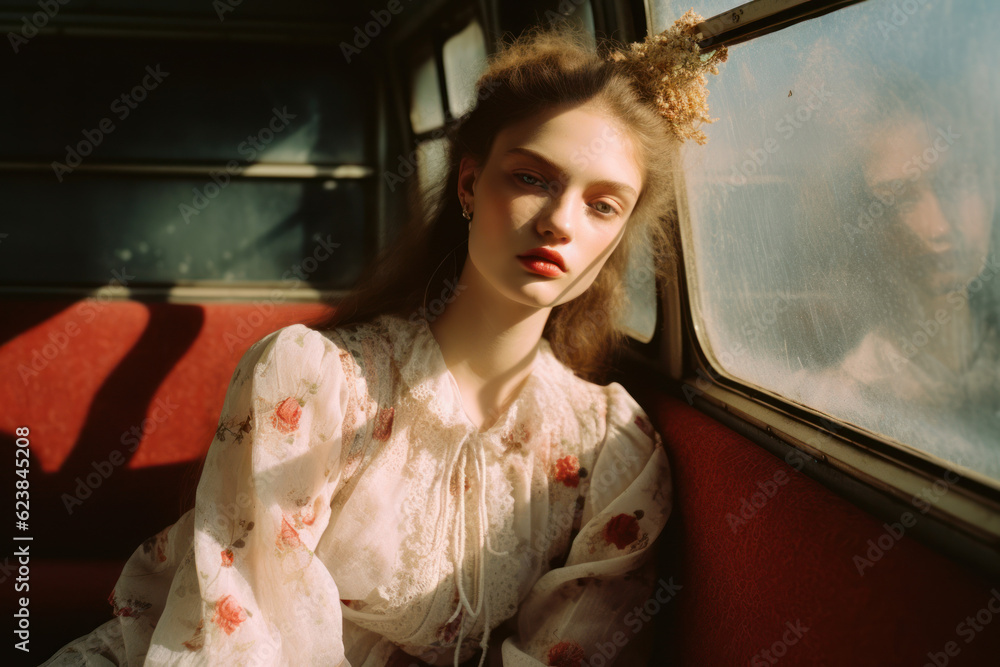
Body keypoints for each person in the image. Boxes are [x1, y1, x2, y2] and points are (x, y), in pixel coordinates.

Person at [41, 12, 727, 667]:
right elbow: (238, 626)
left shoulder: (613, 452)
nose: (558, 220)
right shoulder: (314, 380)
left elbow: (571, 648)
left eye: (602, 204)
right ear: (468, 182)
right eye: (531, 177)